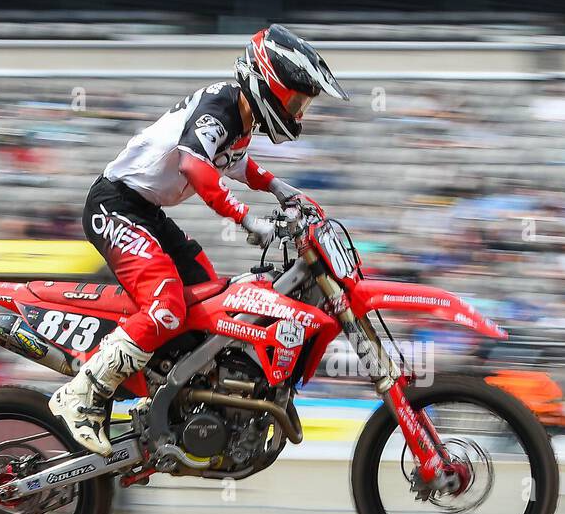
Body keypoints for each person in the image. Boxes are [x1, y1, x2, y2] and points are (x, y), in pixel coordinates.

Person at [49, 24, 348, 455]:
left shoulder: (239, 116)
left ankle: (177, 395)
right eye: (297, 100)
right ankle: (82, 395)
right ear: (267, 83)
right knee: (167, 304)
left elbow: (236, 164)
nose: (299, 111)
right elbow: (195, 167)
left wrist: (282, 190)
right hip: (114, 206)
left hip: (144, 211)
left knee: (209, 297)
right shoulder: (222, 105)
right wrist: (248, 219)